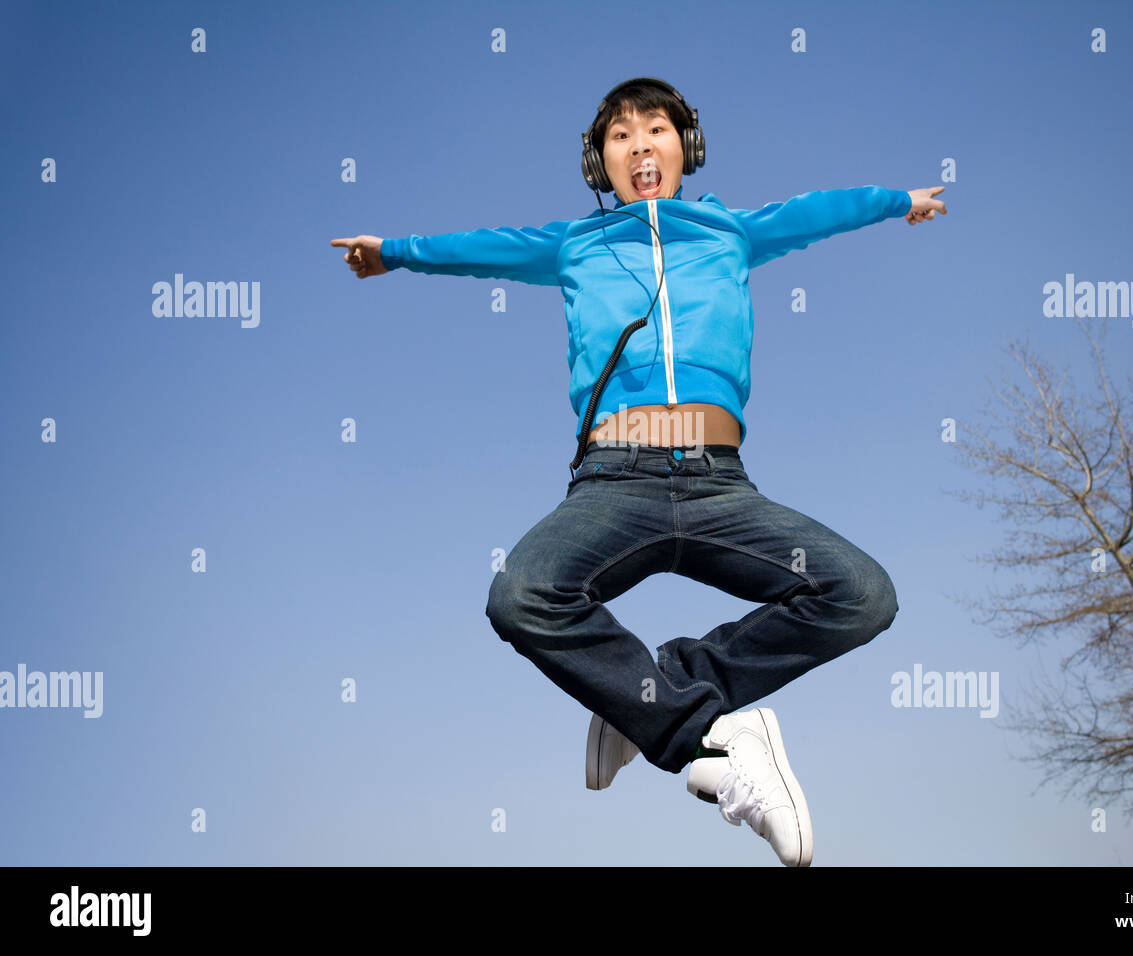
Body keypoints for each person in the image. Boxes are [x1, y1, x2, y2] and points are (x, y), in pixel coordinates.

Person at [331, 77, 946, 866]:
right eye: (620, 136)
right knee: (521, 597)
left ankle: (652, 691)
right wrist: (394, 254)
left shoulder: (729, 231)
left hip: (721, 485)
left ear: (684, 149)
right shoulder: (575, 244)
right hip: (613, 484)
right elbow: (480, 246)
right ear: (602, 162)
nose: (639, 146)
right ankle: (712, 737)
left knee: (861, 594)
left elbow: (816, 210)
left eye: (655, 129)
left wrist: (897, 199)